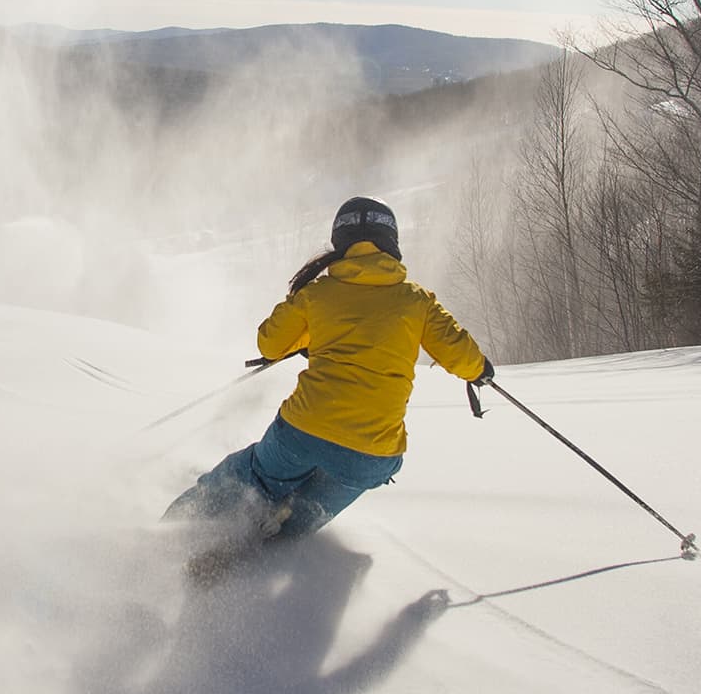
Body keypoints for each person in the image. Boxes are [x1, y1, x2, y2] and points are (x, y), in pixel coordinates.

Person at [164, 196, 493, 543]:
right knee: (307, 512)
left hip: (302, 433)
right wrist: (480, 371)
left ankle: (171, 530)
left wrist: (308, 338)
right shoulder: (417, 301)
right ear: (391, 241)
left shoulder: (318, 295)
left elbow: (270, 344)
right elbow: (461, 354)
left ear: (341, 241)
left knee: (247, 476)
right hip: (372, 453)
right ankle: (280, 535)